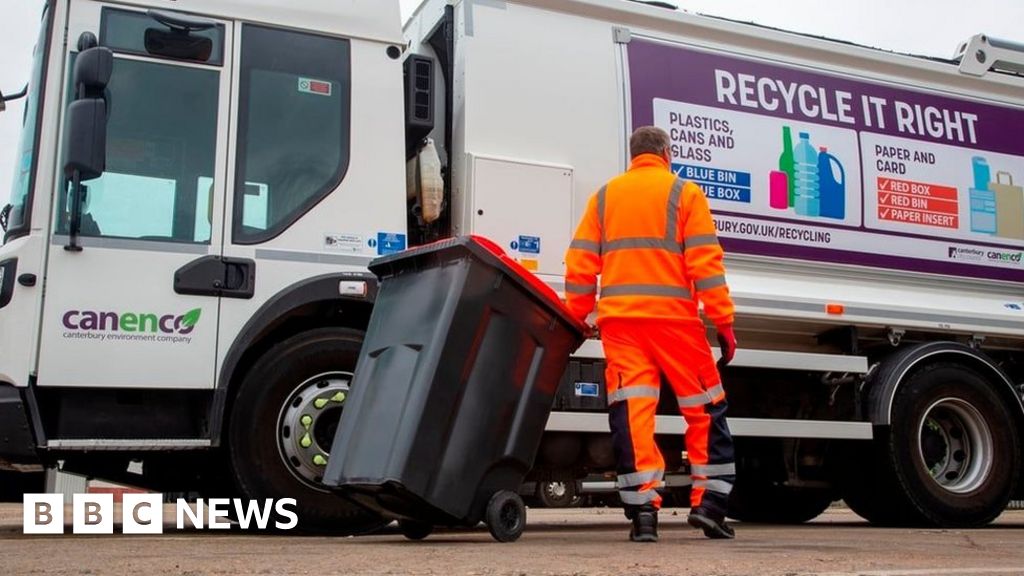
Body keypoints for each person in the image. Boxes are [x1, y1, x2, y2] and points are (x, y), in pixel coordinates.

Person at [564, 126, 738, 542]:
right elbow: (706, 266)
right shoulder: (686, 194)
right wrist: (724, 324)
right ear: (666, 152)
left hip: (622, 326)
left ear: (633, 154)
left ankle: (643, 515)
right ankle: (710, 507)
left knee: (633, 414)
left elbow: (581, 263)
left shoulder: (605, 197)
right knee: (704, 409)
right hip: (675, 323)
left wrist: (577, 315)